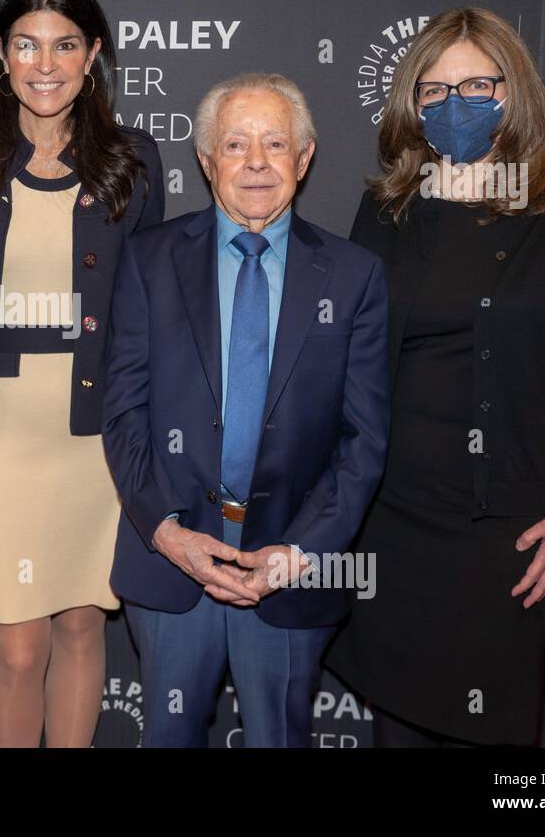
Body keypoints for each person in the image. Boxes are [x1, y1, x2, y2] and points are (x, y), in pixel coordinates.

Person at [325, 7, 545, 747]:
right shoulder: (388, 208)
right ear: (412, 104)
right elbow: (351, 363)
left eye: (474, 85)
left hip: (509, 529)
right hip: (392, 526)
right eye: (433, 91)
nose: (453, 104)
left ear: (515, 91)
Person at [103, 72, 390, 748]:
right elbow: (123, 412)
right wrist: (167, 532)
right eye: (235, 144)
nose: (256, 162)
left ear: (305, 157)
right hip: (172, 558)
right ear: (206, 162)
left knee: (277, 739)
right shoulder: (148, 262)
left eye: (274, 143)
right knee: (169, 735)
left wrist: (298, 553)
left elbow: (365, 440)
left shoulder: (354, 277)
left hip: (292, 558)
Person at [0, 0, 164, 747]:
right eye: (27, 45)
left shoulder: (133, 158)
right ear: (1, 54)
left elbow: (146, 311)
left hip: (93, 437)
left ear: (93, 52)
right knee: (17, 644)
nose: (44, 64)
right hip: (1, 439)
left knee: (77, 626)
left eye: (64, 45)